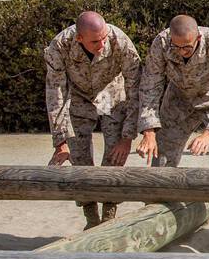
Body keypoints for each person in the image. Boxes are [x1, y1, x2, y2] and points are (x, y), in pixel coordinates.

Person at [137, 15, 209, 248]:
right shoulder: (161, 43)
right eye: (177, 47)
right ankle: (156, 217)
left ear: (198, 37)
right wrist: (149, 129)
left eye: (187, 47)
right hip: (177, 99)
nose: (182, 51)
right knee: (162, 157)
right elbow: (150, 85)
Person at [44, 12, 142, 229]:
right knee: (79, 159)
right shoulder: (59, 46)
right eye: (95, 41)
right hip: (78, 97)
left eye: (104, 38)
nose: (102, 44)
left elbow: (135, 87)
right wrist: (60, 140)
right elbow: (55, 92)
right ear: (79, 38)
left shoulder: (120, 40)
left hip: (112, 95)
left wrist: (128, 137)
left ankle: (109, 215)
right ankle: (91, 219)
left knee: (114, 159)